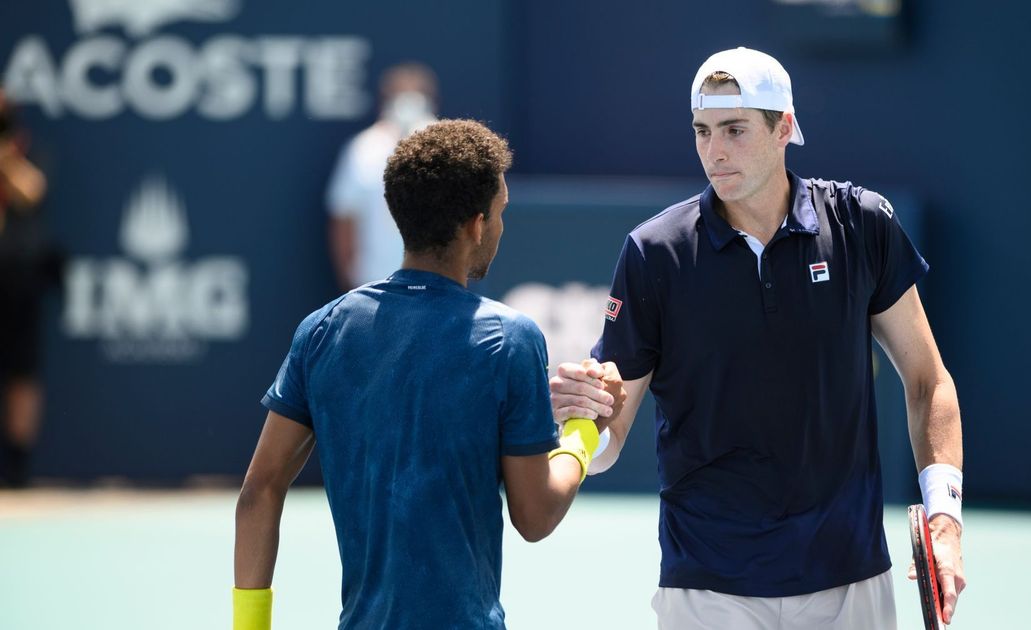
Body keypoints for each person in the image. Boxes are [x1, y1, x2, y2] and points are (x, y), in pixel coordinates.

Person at [550, 47, 966, 629]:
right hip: (709, 587)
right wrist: (584, 426)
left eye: (735, 130)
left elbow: (928, 381)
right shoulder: (654, 253)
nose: (713, 152)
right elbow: (611, 437)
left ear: (784, 129)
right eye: (702, 130)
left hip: (849, 578)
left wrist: (945, 518)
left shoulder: (862, 224)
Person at [233, 120, 605, 629]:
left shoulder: (321, 330)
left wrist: (247, 626)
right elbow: (535, 516)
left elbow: (260, 489)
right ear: (476, 225)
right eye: (499, 213)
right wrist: (584, 431)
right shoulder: (510, 338)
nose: (500, 226)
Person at [327, 63, 439, 291]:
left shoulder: (446, 146)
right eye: (400, 96)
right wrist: (351, 283)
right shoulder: (362, 148)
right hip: (375, 286)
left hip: (436, 286)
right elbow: (343, 218)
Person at [0, 88, 48, 489]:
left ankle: (16, 471)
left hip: (17, 282)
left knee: (22, 372)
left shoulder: (22, 152)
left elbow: (31, 191)